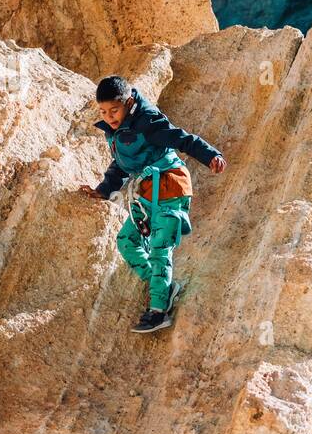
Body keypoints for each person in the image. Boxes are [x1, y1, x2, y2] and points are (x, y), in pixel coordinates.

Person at [78, 75, 226, 332]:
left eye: (114, 110)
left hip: (171, 186)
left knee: (160, 249)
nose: (110, 117)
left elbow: (183, 139)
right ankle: (164, 287)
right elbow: (123, 165)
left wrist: (211, 155)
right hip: (146, 194)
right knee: (126, 242)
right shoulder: (116, 130)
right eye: (104, 111)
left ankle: (159, 310)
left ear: (129, 101)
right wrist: (104, 190)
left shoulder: (148, 121)